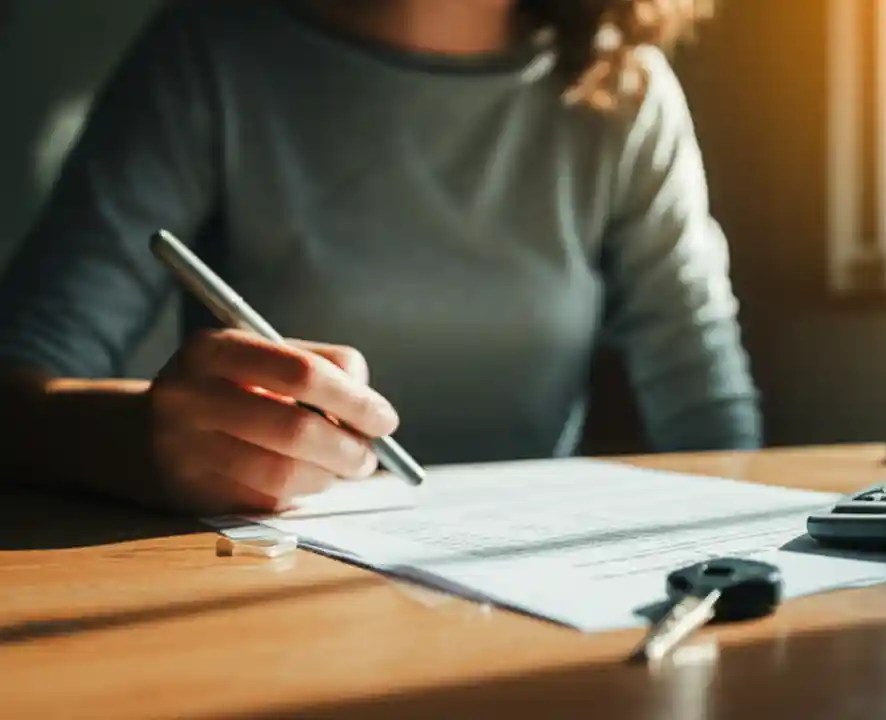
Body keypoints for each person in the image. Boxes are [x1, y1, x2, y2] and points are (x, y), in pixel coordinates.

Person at [0, 0, 760, 514]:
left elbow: (711, 418)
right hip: (275, 589)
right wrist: (142, 441)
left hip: (525, 599)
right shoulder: (213, 54)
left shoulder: (619, 95)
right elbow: (15, 391)